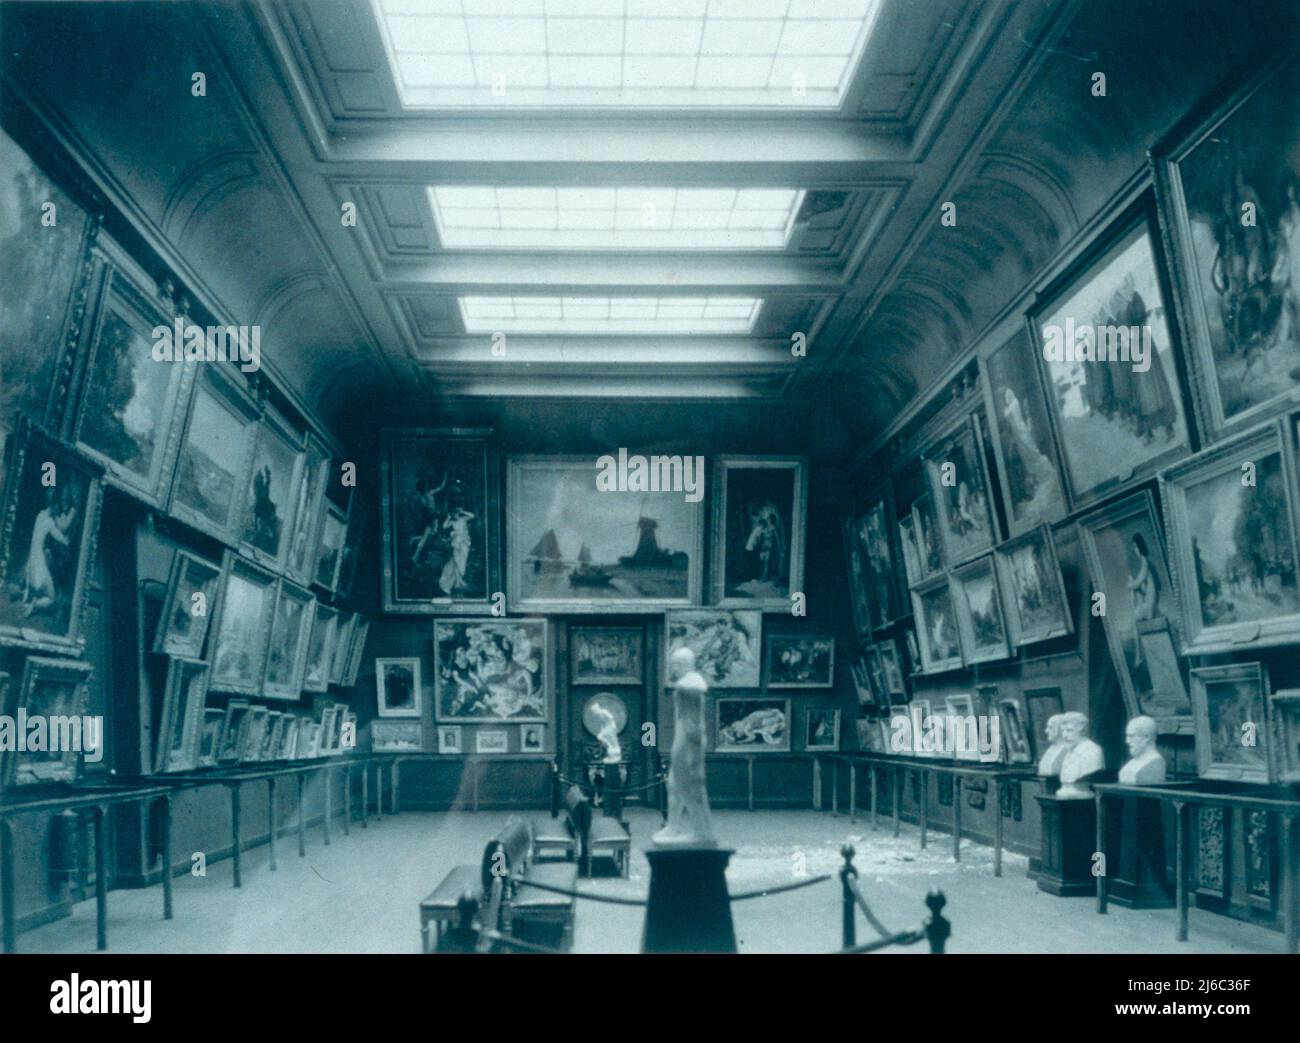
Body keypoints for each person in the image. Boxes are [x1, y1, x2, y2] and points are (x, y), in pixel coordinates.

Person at [22, 486, 78, 616]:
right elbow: (63, 540)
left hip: (31, 559)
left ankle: (27, 599)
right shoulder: (49, 522)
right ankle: (34, 604)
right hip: (38, 560)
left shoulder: (40, 515)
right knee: (51, 597)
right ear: (54, 505)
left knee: (33, 585)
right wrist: (68, 539)